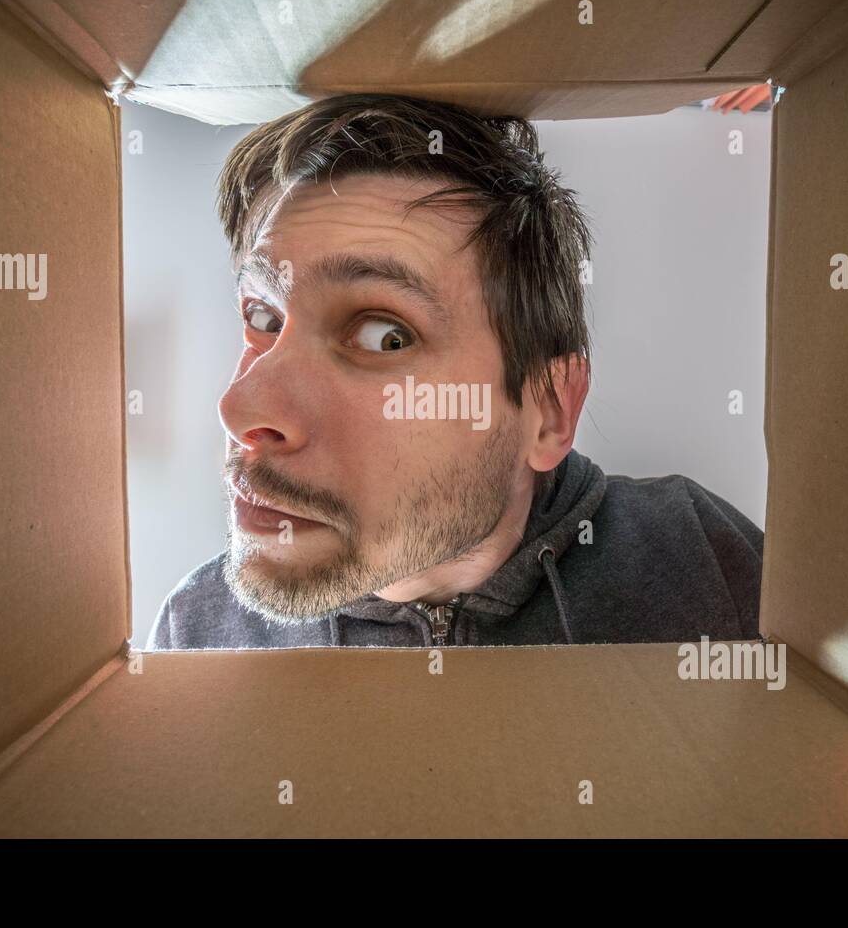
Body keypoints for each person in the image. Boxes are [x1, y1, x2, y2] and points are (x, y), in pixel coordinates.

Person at [147, 93, 762, 649]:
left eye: (384, 336)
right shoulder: (195, 633)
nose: (240, 410)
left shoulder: (702, 562)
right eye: (264, 316)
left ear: (548, 413)